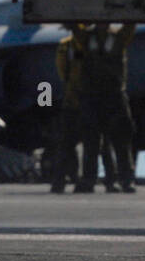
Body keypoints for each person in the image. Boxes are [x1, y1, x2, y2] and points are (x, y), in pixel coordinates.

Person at [73, 23, 137, 194]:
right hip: (93, 96)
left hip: (114, 96)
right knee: (91, 142)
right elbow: (73, 27)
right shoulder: (87, 37)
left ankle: (125, 180)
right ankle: (89, 179)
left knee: (121, 141)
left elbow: (131, 26)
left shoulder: (118, 38)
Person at [52, 29, 87, 193]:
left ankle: (77, 179)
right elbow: (58, 76)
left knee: (80, 143)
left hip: (83, 101)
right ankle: (61, 179)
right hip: (71, 101)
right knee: (67, 142)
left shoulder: (92, 43)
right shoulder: (65, 46)